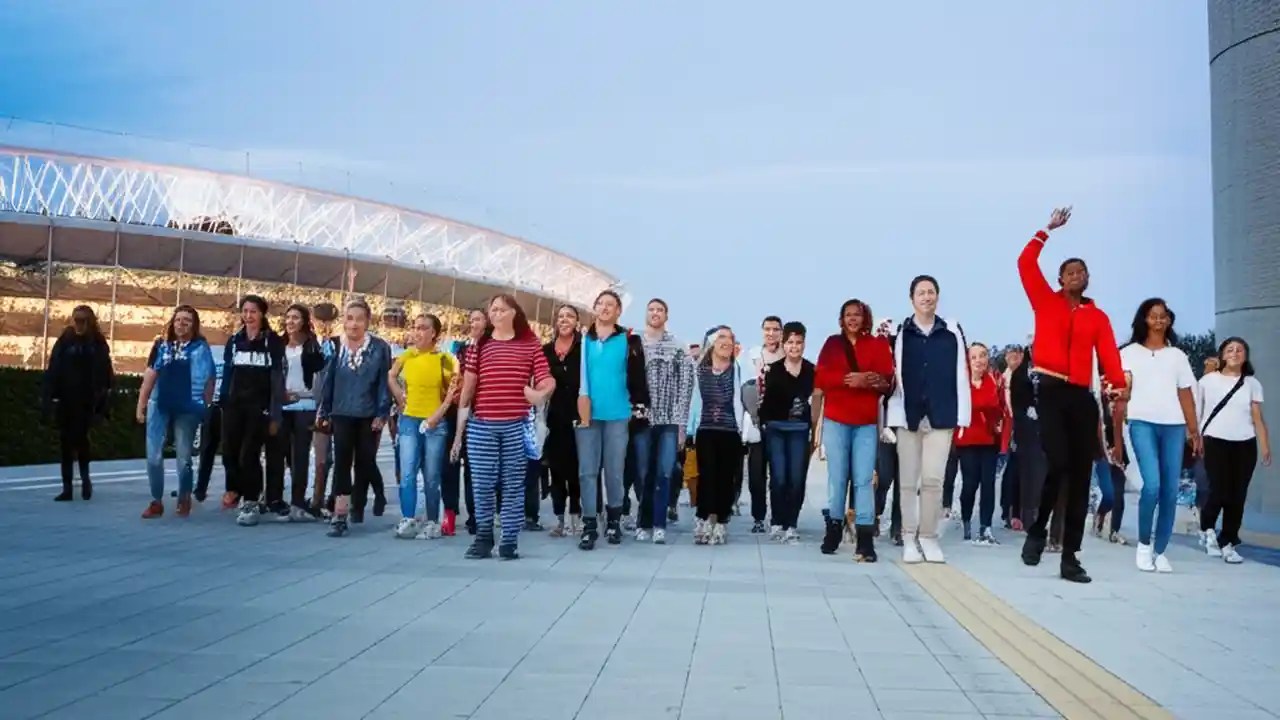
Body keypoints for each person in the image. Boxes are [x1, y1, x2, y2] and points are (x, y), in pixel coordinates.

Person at [1017, 208, 1127, 584]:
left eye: (1082, 271)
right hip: (1049, 391)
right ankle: (1037, 530)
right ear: (1060, 279)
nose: (1077, 275)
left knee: (1080, 476)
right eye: (1070, 271)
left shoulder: (1097, 317)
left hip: (1082, 396)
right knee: (1059, 463)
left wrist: (1117, 383)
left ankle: (1070, 556)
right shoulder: (1044, 302)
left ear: (1086, 279)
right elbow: (1024, 262)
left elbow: (1110, 354)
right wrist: (1046, 230)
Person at [452, 294, 554, 560]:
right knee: (482, 484)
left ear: (513, 313)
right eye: (492, 310)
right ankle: (483, 537)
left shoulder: (529, 344)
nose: (495, 314)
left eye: (500, 309)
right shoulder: (479, 344)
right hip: (482, 425)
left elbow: (545, 377)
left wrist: (540, 393)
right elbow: (469, 387)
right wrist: (458, 434)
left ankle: (509, 540)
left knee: (512, 485)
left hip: (516, 426)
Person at [886, 277, 971, 565]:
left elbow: (962, 373)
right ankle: (909, 536)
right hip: (908, 413)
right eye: (920, 293)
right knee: (908, 481)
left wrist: (963, 415)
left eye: (931, 292)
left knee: (934, 479)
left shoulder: (951, 332)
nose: (926, 297)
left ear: (937, 296)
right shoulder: (902, 332)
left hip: (942, 412)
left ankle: (929, 536)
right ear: (912, 299)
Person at [1112, 299, 1198, 573]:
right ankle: (1144, 545)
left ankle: (1160, 551)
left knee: (1171, 491)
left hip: (1173, 425)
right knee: (1152, 485)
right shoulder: (1128, 353)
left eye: (1163, 316)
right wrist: (1115, 437)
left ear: (1169, 320)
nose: (1158, 321)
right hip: (1141, 423)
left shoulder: (1178, 356)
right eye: (1153, 316)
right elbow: (1121, 396)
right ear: (1144, 320)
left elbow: (1186, 395)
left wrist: (1194, 431)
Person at [816, 299, 894, 560]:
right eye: (848, 315)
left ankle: (864, 537)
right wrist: (848, 380)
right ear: (841, 319)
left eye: (857, 315)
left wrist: (868, 381)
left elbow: (886, 380)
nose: (852, 319)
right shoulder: (832, 344)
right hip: (836, 420)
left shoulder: (877, 344)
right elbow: (821, 377)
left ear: (865, 318)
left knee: (863, 480)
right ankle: (834, 528)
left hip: (866, 423)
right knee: (837, 478)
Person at [575, 290, 648, 550]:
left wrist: (638, 406)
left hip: (618, 414)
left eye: (611, 305)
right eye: (601, 304)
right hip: (587, 414)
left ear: (618, 311)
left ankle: (614, 520)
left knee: (614, 470)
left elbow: (638, 377)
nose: (605, 308)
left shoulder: (628, 340)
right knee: (587, 471)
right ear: (594, 308)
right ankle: (590, 524)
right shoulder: (583, 339)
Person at [316, 298, 393, 537]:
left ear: (368, 321)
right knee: (341, 462)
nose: (354, 324)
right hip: (341, 412)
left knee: (365, 460)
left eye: (359, 319)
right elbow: (328, 379)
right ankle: (340, 514)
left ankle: (366, 500)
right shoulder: (335, 346)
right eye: (349, 318)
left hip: (368, 412)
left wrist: (382, 412)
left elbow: (383, 381)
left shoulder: (380, 347)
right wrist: (325, 410)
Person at [135, 305, 216, 518]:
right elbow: (150, 375)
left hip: (188, 406)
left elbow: (209, 379)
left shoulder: (200, 348)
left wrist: (206, 407)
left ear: (194, 325)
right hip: (160, 403)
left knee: (184, 456)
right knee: (153, 454)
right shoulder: (161, 345)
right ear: (173, 322)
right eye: (178, 319)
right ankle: (156, 500)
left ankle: (184, 496)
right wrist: (141, 404)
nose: (181, 324)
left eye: (187, 320)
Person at [1198, 337, 1271, 564]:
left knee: (1237, 495)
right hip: (1215, 440)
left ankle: (1228, 541)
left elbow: (1257, 418)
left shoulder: (1252, 383)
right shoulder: (1207, 381)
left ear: (1245, 357)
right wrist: (1195, 439)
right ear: (1222, 355)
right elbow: (1198, 413)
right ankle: (1207, 528)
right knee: (1218, 489)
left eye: (1240, 350)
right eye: (1230, 349)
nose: (1235, 353)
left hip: (1245, 443)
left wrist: (1265, 445)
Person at [219, 295, 287, 526]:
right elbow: (228, 373)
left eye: (253, 312)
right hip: (234, 407)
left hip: (259, 409)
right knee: (230, 453)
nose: (249, 316)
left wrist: (274, 413)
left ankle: (251, 501)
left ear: (262, 314)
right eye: (245, 311)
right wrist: (223, 402)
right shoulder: (235, 340)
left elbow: (277, 380)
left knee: (249, 454)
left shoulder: (272, 342)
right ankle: (238, 491)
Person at [631, 298, 695, 544]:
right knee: (643, 472)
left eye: (660, 310)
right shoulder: (634, 343)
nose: (655, 313)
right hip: (641, 419)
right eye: (651, 309)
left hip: (668, 420)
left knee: (664, 472)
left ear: (666, 315)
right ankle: (643, 522)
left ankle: (659, 523)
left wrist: (681, 424)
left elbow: (685, 386)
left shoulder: (677, 346)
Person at [389, 314, 457, 540]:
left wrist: (439, 413)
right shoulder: (407, 355)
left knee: (431, 475)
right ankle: (408, 517)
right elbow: (391, 376)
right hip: (409, 420)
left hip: (434, 423)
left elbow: (453, 390)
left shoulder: (445, 359)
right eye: (415, 327)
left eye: (423, 328)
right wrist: (398, 394)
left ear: (434, 333)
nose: (417, 332)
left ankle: (432, 521)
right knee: (407, 472)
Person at [42, 305, 114, 502]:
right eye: (76, 320)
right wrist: (50, 395)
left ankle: (85, 481)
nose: (79, 324)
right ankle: (67, 488)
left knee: (81, 441)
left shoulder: (97, 343)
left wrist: (101, 401)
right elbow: (54, 367)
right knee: (65, 443)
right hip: (66, 398)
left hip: (86, 400)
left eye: (83, 320)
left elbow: (105, 373)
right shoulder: (66, 340)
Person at [687, 327, 747, 545]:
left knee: (725, 478)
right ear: (712, 343)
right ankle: (703, 518)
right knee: (706, 476)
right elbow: (693, 401)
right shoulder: (698, 370)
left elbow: (741, 400)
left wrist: (742, 431)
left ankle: (721, 521)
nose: (727, 342)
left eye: (730, 338)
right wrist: (689, 430)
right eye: (722, 338)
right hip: (705, 428)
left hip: (730, 430)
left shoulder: (737, 369)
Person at [760, 321, 817, 544]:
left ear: (804, 344)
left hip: (800, 430)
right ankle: (777, 521)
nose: (794, 347)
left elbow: (817, 400)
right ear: (784, 344)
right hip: (776, 429)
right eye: (790, 343)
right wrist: (764, 423)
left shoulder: (812, 371)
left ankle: (792, 523)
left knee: (796, 477)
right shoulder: (773, 370)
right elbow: (765, 402)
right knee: (779, 477)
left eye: (798, 343)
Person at [269, 304, 327, 522]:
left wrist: (313, 401)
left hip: (305, 406)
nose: (291, 321)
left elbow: (320, 378)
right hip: (281, 407)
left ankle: (298, 501)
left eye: (296, 317)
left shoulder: (312, 347)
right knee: (277, 454)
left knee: (299, 457)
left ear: (304, 321)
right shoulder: (278, 345)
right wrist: (279, 395)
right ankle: (274, 500)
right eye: (288, 317)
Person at [954, 343, 1005, 545]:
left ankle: (986, 527)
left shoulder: (993, 382)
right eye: (974, 357)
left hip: (988, 439)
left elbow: (999, 409)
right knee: (970, 483)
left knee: (988, 483)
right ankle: (966, 519)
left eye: (982, 356)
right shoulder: (961, 383)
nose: (978, 361)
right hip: (967, 440)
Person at [543, 305, 583, 538]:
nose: (564, 320)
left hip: (579, 415)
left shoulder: (584, 349)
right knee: (556, 470)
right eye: (560, 316)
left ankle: (576, 516)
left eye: (569, 316)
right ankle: (559, 518)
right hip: (553, 417)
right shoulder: (545, 350)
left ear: (577, 321)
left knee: (577, 469)